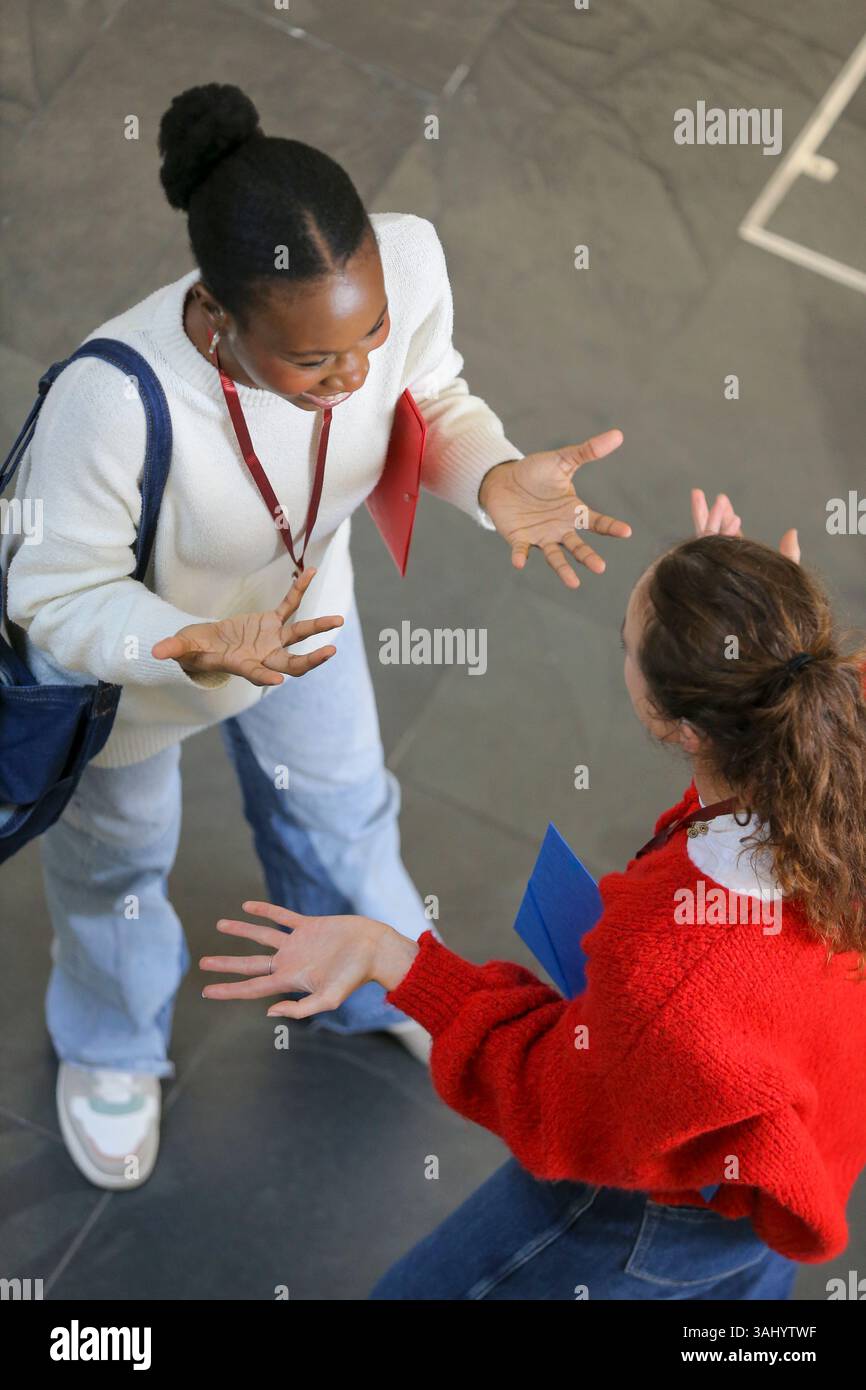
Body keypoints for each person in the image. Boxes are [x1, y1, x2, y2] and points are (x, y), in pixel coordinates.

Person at [0, 83, 631, 1191]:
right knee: (121, 866)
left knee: (343, 803)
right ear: (218, 321)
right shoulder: (110, 401)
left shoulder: (409, 261)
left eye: (366, 335)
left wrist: (489, 476)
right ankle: (110, 1042)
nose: (350, 375)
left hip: (306, 608)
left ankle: (375, 979)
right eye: (310, 364)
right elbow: (52, 593)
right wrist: (192, 638)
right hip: (138, 678)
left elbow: (426, 396)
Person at [203, 499, 866, 1299]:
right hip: (794, 1172)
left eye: (628, 639)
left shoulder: (670, 966)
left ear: (678, 723)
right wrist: (749, 617)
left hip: (649, 1211)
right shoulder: (839, 735)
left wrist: (396, 958)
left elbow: (551, 1101)